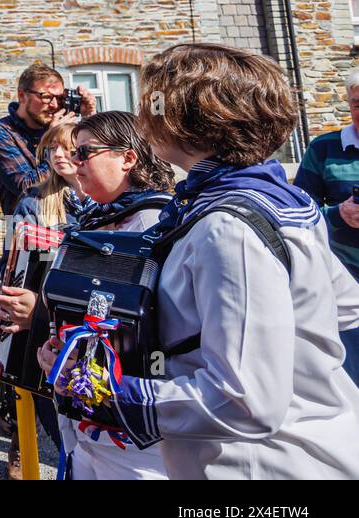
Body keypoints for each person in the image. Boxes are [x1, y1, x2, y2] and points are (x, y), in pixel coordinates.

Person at [76, 43, 359, 479]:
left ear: (185, 117)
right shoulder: (280, 199)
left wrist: (102, 392)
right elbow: (343, 306)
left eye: (152, 101)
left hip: (263, 465)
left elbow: (243, 398)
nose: (144, 114)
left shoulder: (227, 226)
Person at [35, 110, 173, 480]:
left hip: (137, 436)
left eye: (85, 152)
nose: (75, 162)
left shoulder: (156, 224)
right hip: (91, 416)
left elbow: (157, 330)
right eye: (74, 153)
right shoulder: (98, 219)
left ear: (128, 157)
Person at [293, 66, 359, 384]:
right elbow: (299, 214)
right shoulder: (324, 148)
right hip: (344, 283)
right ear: (349, 103)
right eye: (358, 103)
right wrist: (337, 214)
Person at [0, 64, 95, 216]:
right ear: (22, 96)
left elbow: (95, 166)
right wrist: (52, 139)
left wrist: (90, 117)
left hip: (80, 220)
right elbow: (27, 187)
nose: (54, 105)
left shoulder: (65, 127)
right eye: (46, 97)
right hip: (32, 227)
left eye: (59, 98)